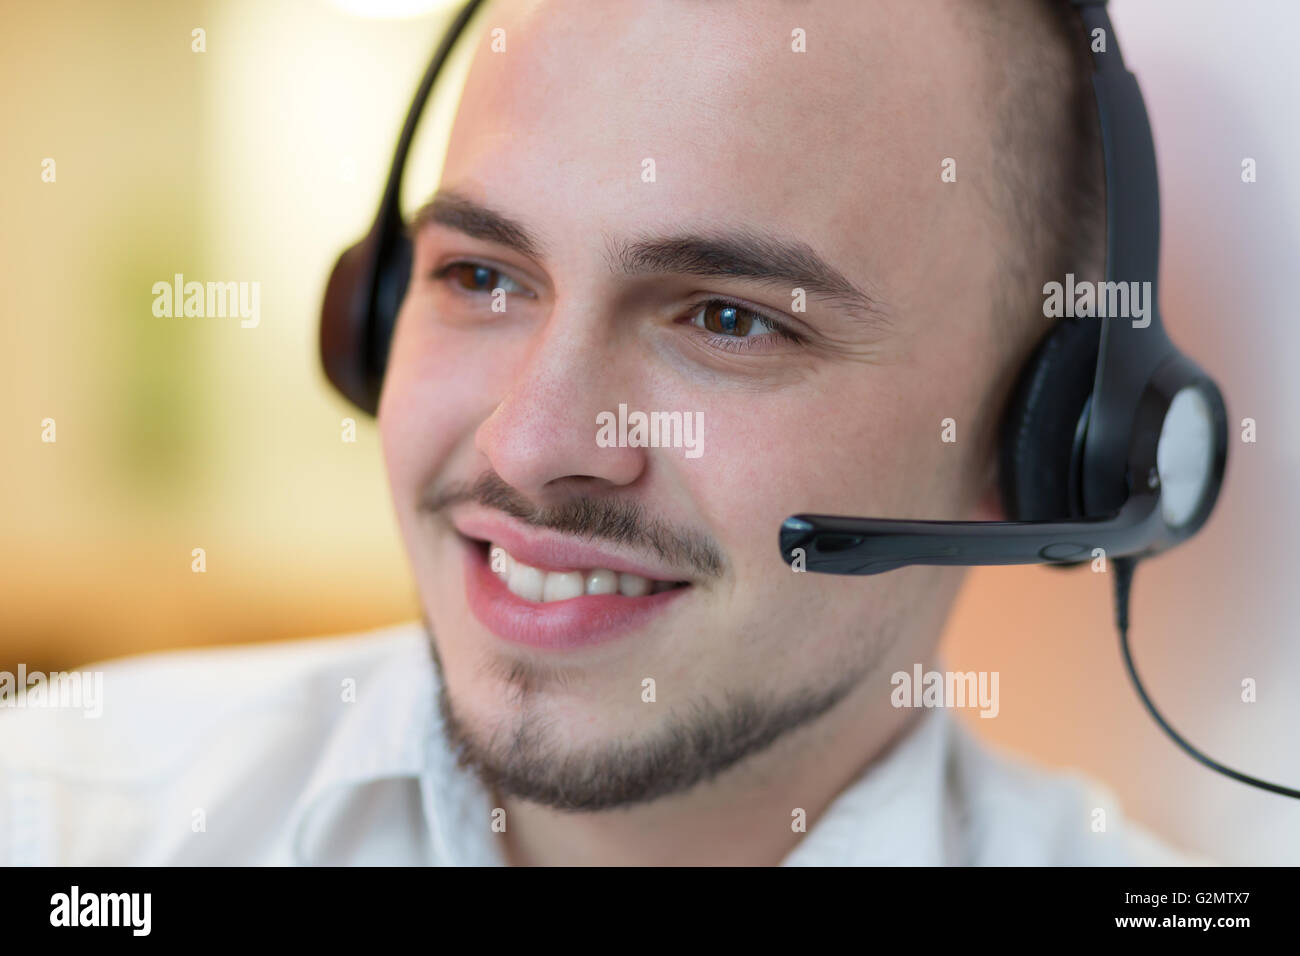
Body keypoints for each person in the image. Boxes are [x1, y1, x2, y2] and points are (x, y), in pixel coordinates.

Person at [0, 0, 1207, 866]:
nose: (529, 445)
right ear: (370, 315)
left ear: (1056, 448)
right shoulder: (57, 815)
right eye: (480, 276)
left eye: (728, 318)